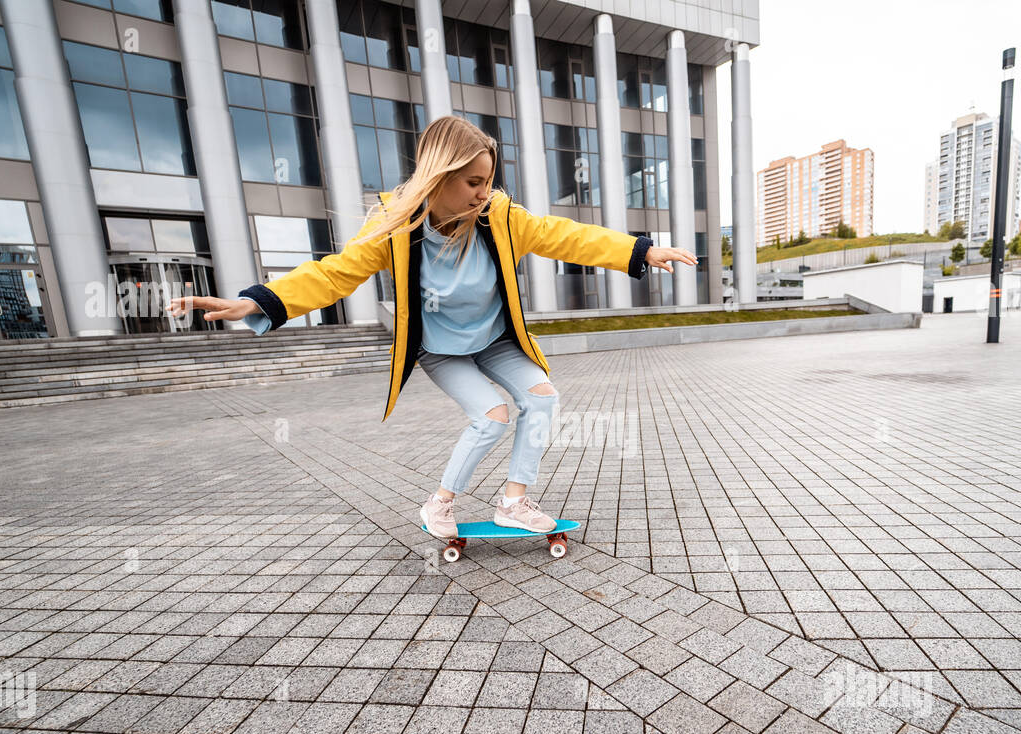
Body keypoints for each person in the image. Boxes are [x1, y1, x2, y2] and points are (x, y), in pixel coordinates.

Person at [169, 115, 696, 540]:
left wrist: (642, 249)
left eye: (488, 182)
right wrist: (258, 300)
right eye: (473, 182)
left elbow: (566, 236)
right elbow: (335, 273)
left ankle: (514, 502)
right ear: (439, 176)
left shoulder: (501, 217)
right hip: (442, 350)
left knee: (542, 397)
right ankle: (440, 502)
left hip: (493, 341)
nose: (482, 193)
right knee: (490, 418)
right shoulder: (396, 229)